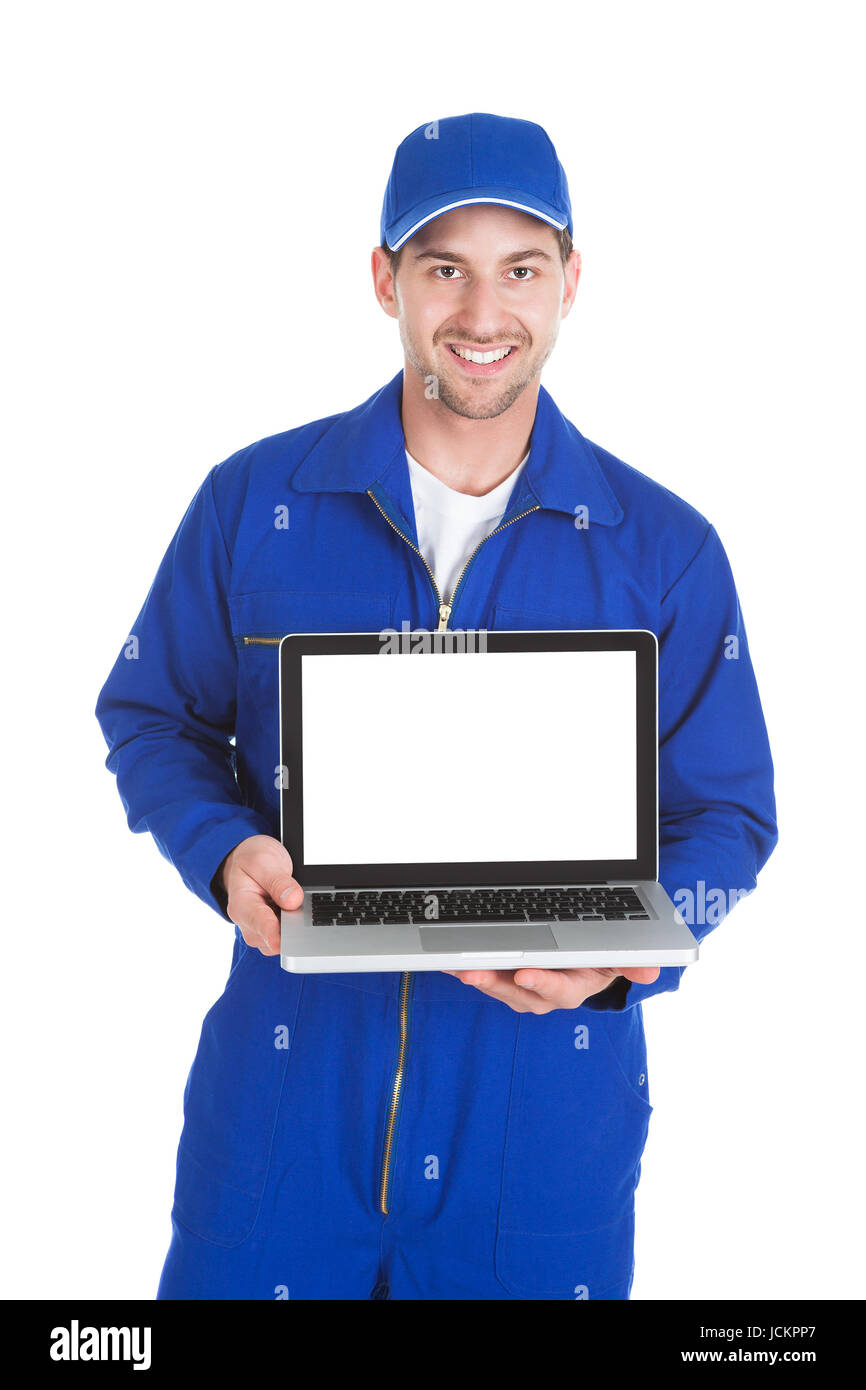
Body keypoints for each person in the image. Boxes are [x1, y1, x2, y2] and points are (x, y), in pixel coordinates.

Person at [95, 113, 778, 1301]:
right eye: (441, 268)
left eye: (518, 268)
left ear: (570, 281)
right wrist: (221, 848)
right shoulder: (252, 501)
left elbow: (728, 816)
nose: (480, 312)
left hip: (539, 1126)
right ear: (384, 281)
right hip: (288, 1095)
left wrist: (622, 958)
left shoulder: (663, 549)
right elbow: (150, 712)